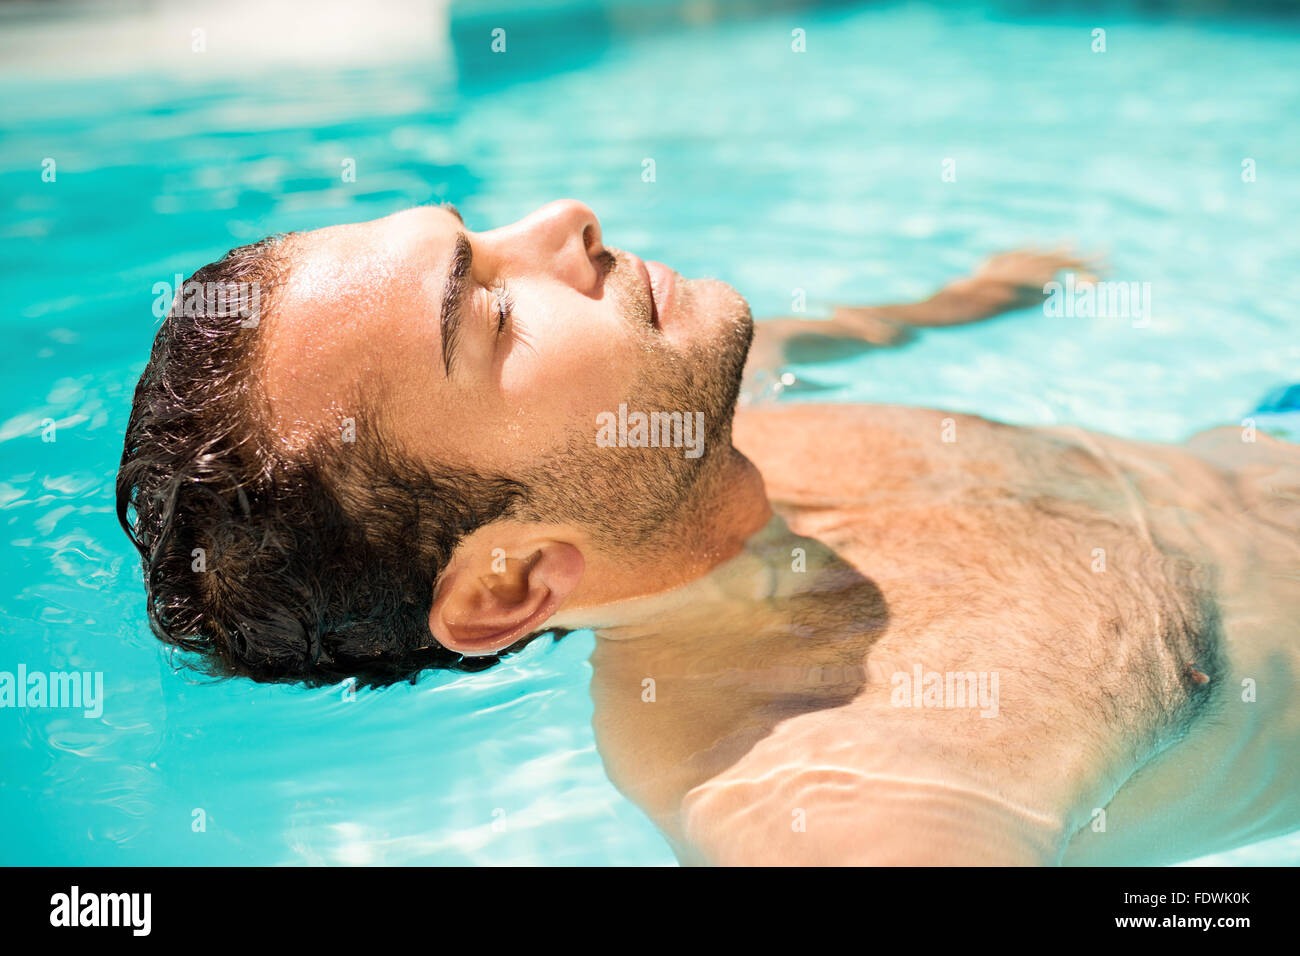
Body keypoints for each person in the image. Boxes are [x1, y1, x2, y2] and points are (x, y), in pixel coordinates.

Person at [118, 201, 1300, 865]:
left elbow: (785, 339)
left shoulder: (684, 423)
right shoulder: (819, 786)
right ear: (508, 585)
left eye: (481, 232)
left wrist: (974, 299)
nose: (561, 222)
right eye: (484, 311)